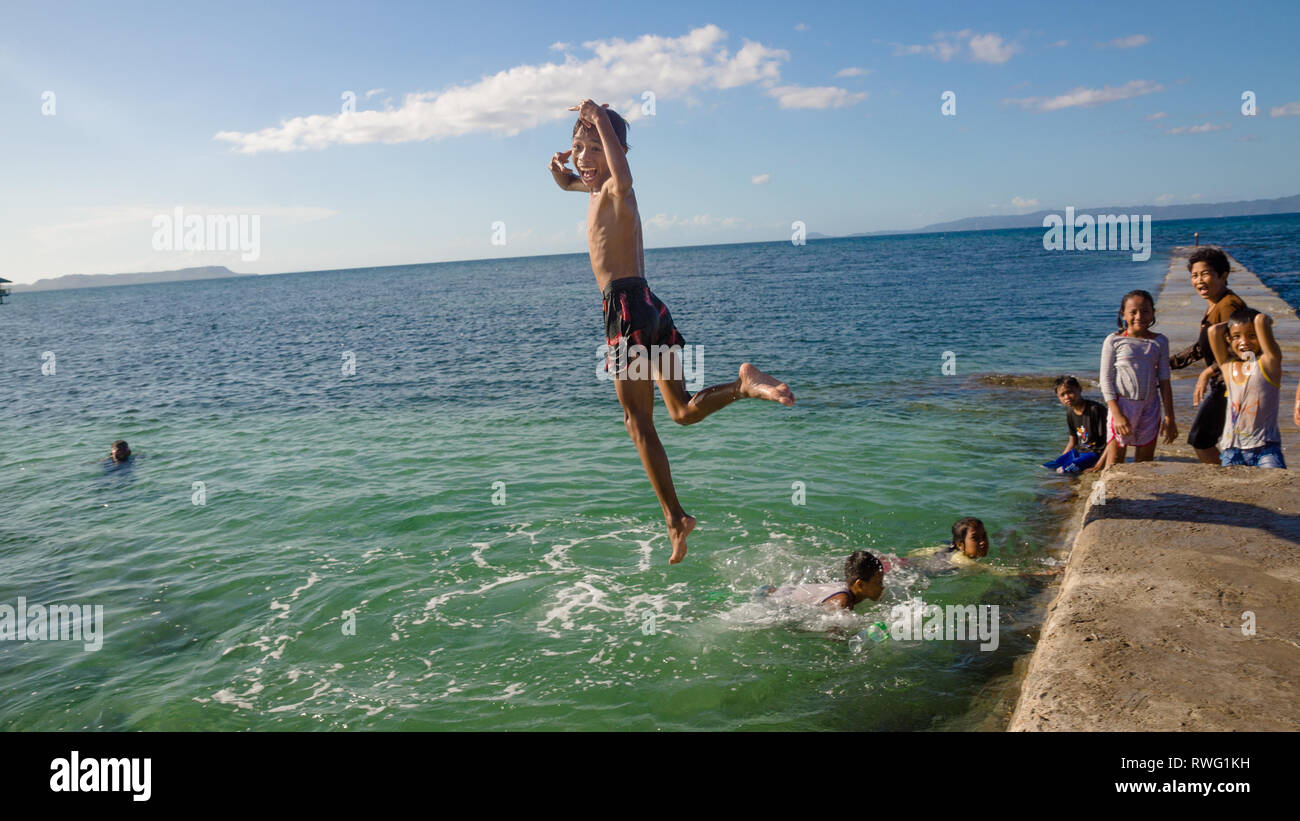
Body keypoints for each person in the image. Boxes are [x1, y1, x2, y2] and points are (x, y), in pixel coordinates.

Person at [550, 99, 794, 564]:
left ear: (615, 149)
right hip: (649, 308)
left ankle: (675, 518)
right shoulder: (593, 189)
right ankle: (745, 386)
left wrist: (599, 119)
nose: (582, 157)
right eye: (577, 147)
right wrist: (557, 167)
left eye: (592, 149)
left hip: (625, 310)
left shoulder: (618, 190)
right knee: (680, 412)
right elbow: (567, 182)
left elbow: (623, 175)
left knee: (637, 421)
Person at [1169, 247, 1247, 464]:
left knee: (1200, 438)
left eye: (1205, 274)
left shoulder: (1229, 305)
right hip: (1223, 382)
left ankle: (1229, 480)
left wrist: (1208, 372)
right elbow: (1202, 347)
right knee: (1223, 439)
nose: (1199, 280)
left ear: (1223, 275)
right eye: (1194, 275)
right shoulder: (1215, 305)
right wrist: (1169, 364)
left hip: (1229, 384)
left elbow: (1241, 347)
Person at [1093, 290, 1177, 470]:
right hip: (1122, 405)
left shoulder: (1160, 341)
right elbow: (1105, 380)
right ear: (1123, 314)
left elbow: (1164, 380)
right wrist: (1116, 414)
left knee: (1144, 465)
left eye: (1145, 311)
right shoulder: (1114, 340)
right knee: (1114, 464)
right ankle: (1110, 497)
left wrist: (1169, 416)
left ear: (1153, 313)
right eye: (1133, 312)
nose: (1139, 316)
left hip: (1150, 406)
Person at [1208, 309, 1286, 468]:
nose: (1244, 342)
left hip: (1265, 447)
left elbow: (1261, 320)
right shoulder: (1227, 366)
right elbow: (1213, 330)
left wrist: (1265, 322)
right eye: (1236, 336)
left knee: (1274, 488)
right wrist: (1232, 323)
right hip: (1232, 448)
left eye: (1252, 335)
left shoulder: (1268, 364)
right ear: (1228, 339)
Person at [758, 550, 885, 611]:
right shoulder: (843, 601)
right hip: (775, 601)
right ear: (860, 584)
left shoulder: (845, 588)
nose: (882, 587)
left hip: (777, 591)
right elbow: (835, 637)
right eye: (878, 582)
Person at [1042, 376, 1107, 473]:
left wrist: (1099, 465)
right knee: (1049, 466)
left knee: (1065, 470)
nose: (1067, 397)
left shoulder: (1095, 410)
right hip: (1078, 451)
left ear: (1079, 389)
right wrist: (1062, 458)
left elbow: (1109, 440)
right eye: (1062, 395)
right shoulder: (1070, 413)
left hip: (1094, 453)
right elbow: (1072, 441)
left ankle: (1065, 486)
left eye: (1070, 392)